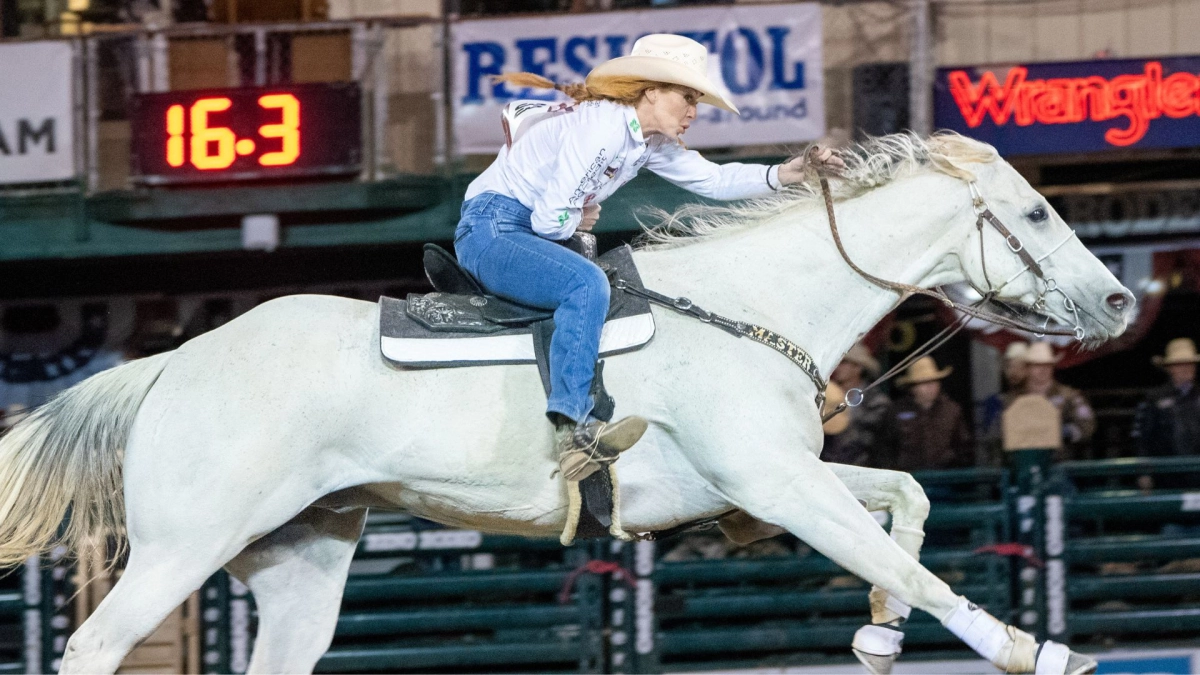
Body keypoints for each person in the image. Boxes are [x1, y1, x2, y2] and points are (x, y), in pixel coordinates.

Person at [454, 33, 844, 482]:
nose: (694, 112)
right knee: (586, 285)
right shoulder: (603, 128)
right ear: (652, 91)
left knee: (599, 285)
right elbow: (548, 221)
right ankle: (572, 431)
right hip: (495, 228)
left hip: (508, 226)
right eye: (687, 97)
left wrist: (785, 173)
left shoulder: (645, 141)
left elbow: (714, 181)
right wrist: (579, 218)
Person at [875, 357, 973, 471]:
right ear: (912, 387)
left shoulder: (952, 410)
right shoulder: (895, 411)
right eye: (924, 382)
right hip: (907, 478)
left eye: (934, 381)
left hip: (946, 480)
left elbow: (964, 448)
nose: (931, 386)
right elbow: (884, 448)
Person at [1005, 342, 1095, 461]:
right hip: (1022, 461)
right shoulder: (1015, 398)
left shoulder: (1069, 396)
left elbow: (1087, 424)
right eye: (1037, 365)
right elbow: (1001, 429)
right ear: (1028, 368)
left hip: (1059, 461)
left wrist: (1066, 432)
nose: (1043, 369)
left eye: (1047, 365)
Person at [822, 343, 890, 466]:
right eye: (837, 363)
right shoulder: (827, 397)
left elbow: (876, 443)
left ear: (858, 368)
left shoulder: (877, 403)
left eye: (844, 363)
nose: (838, 368)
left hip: (865, 469)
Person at [1133, 338, 1200, 458]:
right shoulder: (1153, 398)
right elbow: (1142, 437)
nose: (1186, 368)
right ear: (1169, 369)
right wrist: (1145, 471)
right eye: (1179, 365)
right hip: (1166, 469)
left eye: (1189, 363)